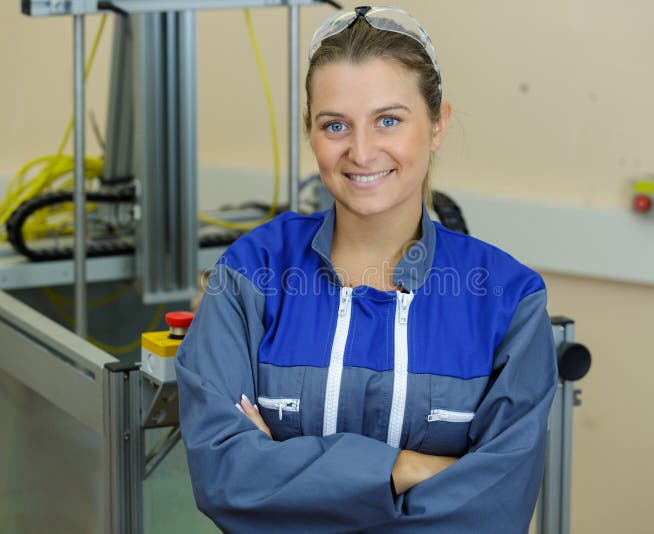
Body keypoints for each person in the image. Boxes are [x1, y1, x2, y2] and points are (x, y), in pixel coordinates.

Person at [175, 6, 557, 533]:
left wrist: (288, 476)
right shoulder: (249, 275)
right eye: (335, 125)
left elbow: (490, 513)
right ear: (310, 130)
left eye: (389, 120)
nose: (360, 151)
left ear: (438, 123)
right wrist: (404, 468)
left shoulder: (507, 300)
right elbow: (225, 478)